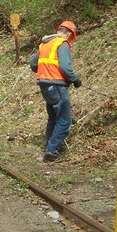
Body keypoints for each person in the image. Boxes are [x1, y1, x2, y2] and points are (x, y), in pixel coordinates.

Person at [29, 20, 82, 162]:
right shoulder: (62, 44)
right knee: (65, 121)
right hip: (57, 86)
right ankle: (51, 150)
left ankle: (51, 145)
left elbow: (34, 64)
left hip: (44, 86)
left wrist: (45, 70)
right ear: (69, 34)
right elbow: (65, 66)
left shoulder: (46, 44)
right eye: (72, 36)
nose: (71, 40)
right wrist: (74, 79)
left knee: (53, 117)